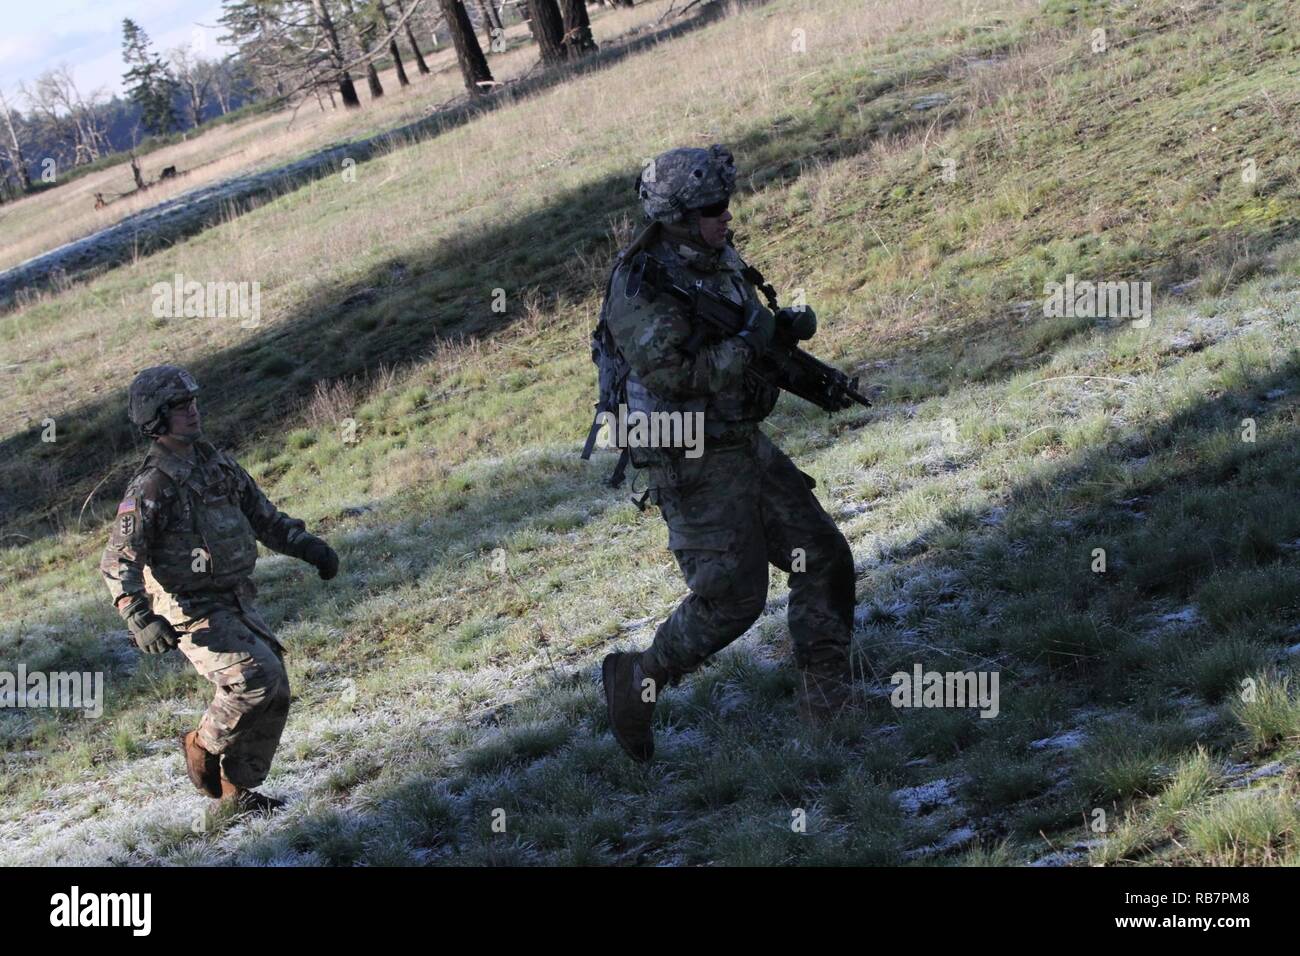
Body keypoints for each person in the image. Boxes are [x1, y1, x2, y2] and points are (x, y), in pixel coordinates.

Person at [597, 145, 857, 762]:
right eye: (713, 209)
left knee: (822, 557)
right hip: (689, 456)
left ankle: (829, 704)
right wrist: (751, 343)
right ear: (678, 215)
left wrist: (808, 371)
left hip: (739, 439)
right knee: (732, 600)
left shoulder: (713, 259)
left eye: (726, 206)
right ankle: (639, 682)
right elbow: (674, 375)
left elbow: (744, 333)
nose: (726, 217)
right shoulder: (642, 285)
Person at [100, 365, 339, 812]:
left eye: (193, 401)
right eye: (179, 406)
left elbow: (265, 518)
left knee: (276, 691)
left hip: (235, 599)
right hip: (188, 608)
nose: (193, 411)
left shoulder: (218, 464)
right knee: (253, 678)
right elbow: (118, 558)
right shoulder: (152, 485)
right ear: (156, 418)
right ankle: (200, 744)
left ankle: (236, 791)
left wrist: (309, 547)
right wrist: (138, 616)